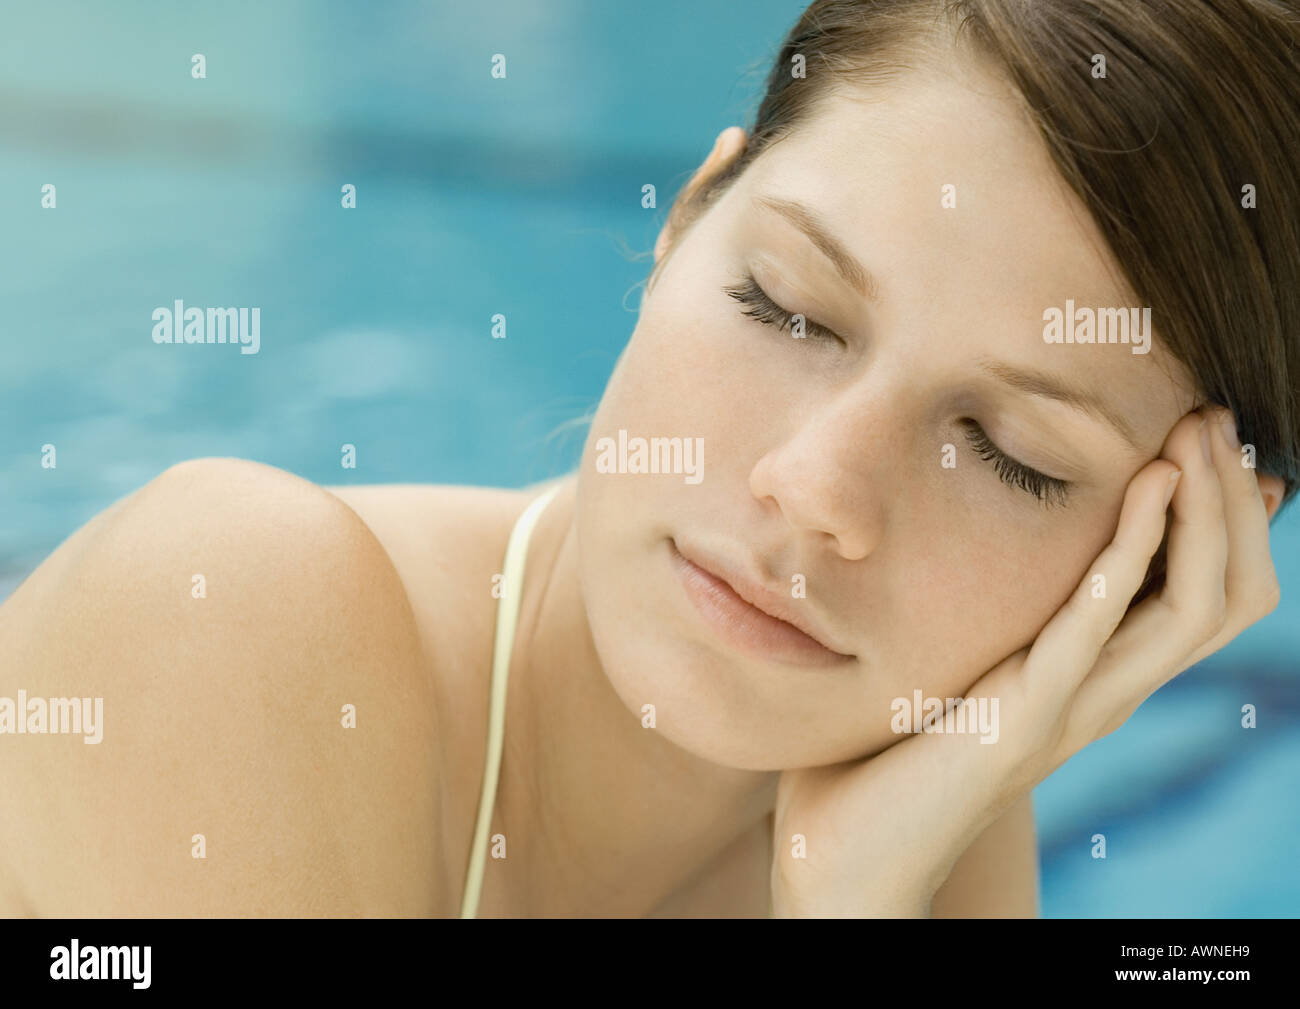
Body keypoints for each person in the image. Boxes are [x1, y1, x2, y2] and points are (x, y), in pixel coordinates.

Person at [1, 0, 1295, 917]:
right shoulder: (233, 613)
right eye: (787, 307)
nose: (816, 487)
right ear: (684, 227)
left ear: (1162, 557)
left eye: (1009, 454)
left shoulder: (927, 814)